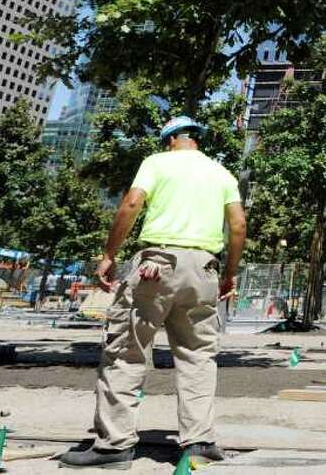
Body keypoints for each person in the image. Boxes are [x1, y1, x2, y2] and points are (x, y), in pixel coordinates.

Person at [59, 115, 247, 470]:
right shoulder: (222, 173)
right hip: (205, 268)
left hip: (156, 267)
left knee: (126, 352)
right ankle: (199, 443)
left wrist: (109, 255)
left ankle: (113, 447)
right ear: (198, 140)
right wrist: (230, 273)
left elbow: (131, 204)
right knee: (198, 356)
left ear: (171, 139)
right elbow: (237, 225)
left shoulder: (157, 163)